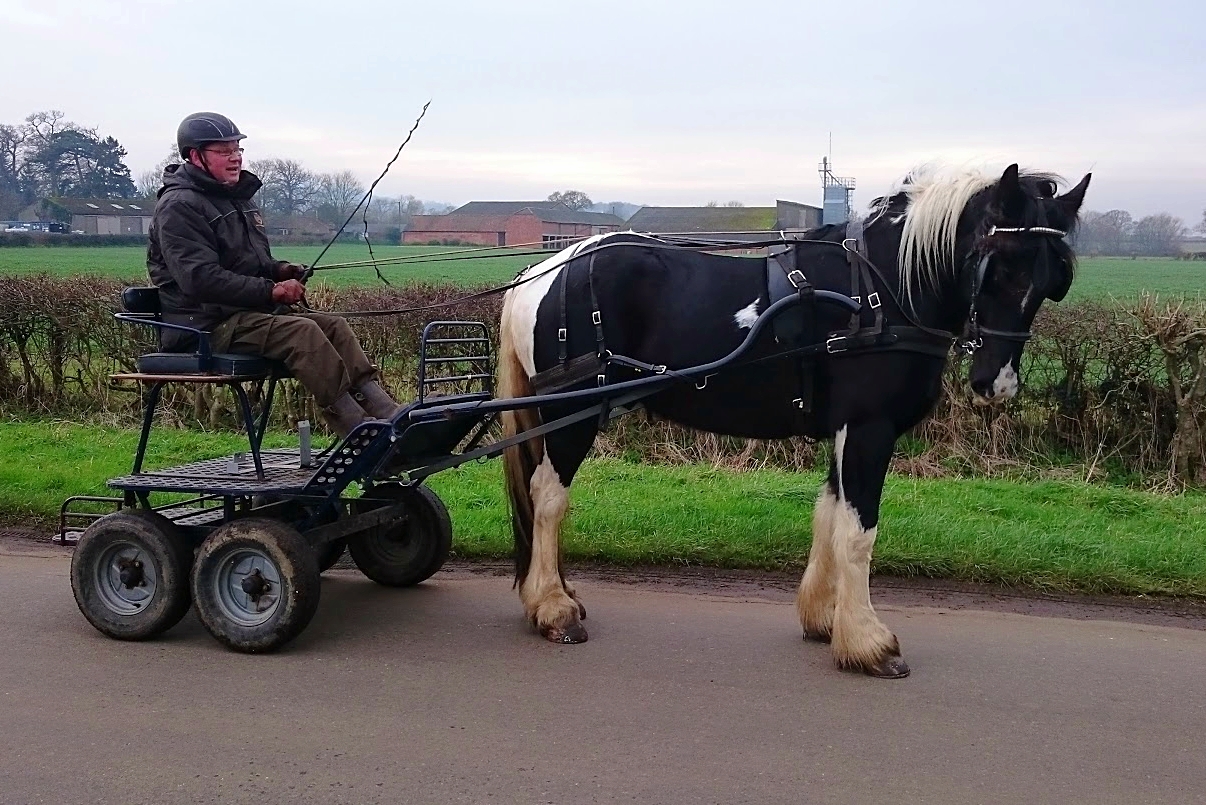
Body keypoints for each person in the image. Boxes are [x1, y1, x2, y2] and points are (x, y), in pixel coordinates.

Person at [146, 112, 400, 435]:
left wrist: (279, 270)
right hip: (206, 327)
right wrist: (271, 291)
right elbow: (200, 279)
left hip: (243, 315)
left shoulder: (235, 199)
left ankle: (388, 413)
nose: (235, 157)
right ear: (195, 156)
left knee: (334, 327)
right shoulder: (179, 207)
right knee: (302, 334)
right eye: (224, 151)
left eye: (237, 149)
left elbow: (248, 264)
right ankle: (358, 429)